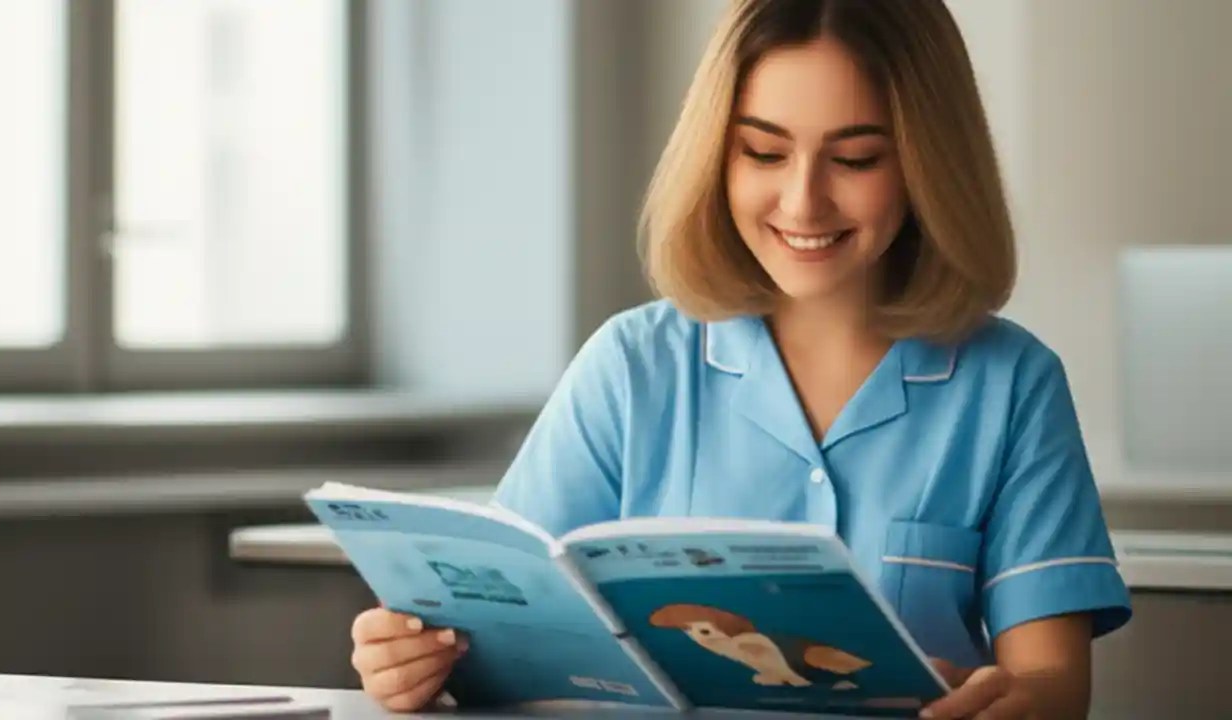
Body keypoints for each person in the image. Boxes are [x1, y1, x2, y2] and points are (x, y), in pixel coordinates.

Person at [348, 0, 1132, 717]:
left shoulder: (1012, 385)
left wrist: (1004, 701)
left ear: (929, 164)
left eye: (855, 159)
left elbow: (1053, 686)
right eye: (763, 151)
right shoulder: (631, 368)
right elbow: (496, 634)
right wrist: (417, 661)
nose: (802, 202)